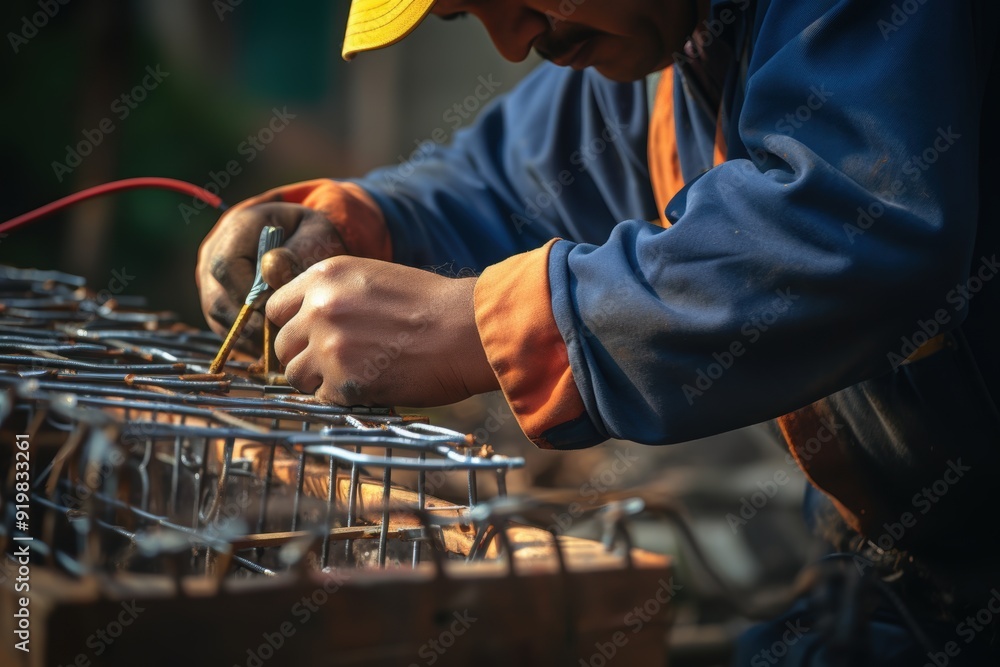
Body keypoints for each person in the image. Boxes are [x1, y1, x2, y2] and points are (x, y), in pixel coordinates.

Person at [196, 0, 1000, 663]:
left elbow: (856, 233)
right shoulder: (671, 44)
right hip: (906, 583)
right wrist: (354, 228)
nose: (515, 42)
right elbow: (498, 184)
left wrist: (477, 327)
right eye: (461, 16)